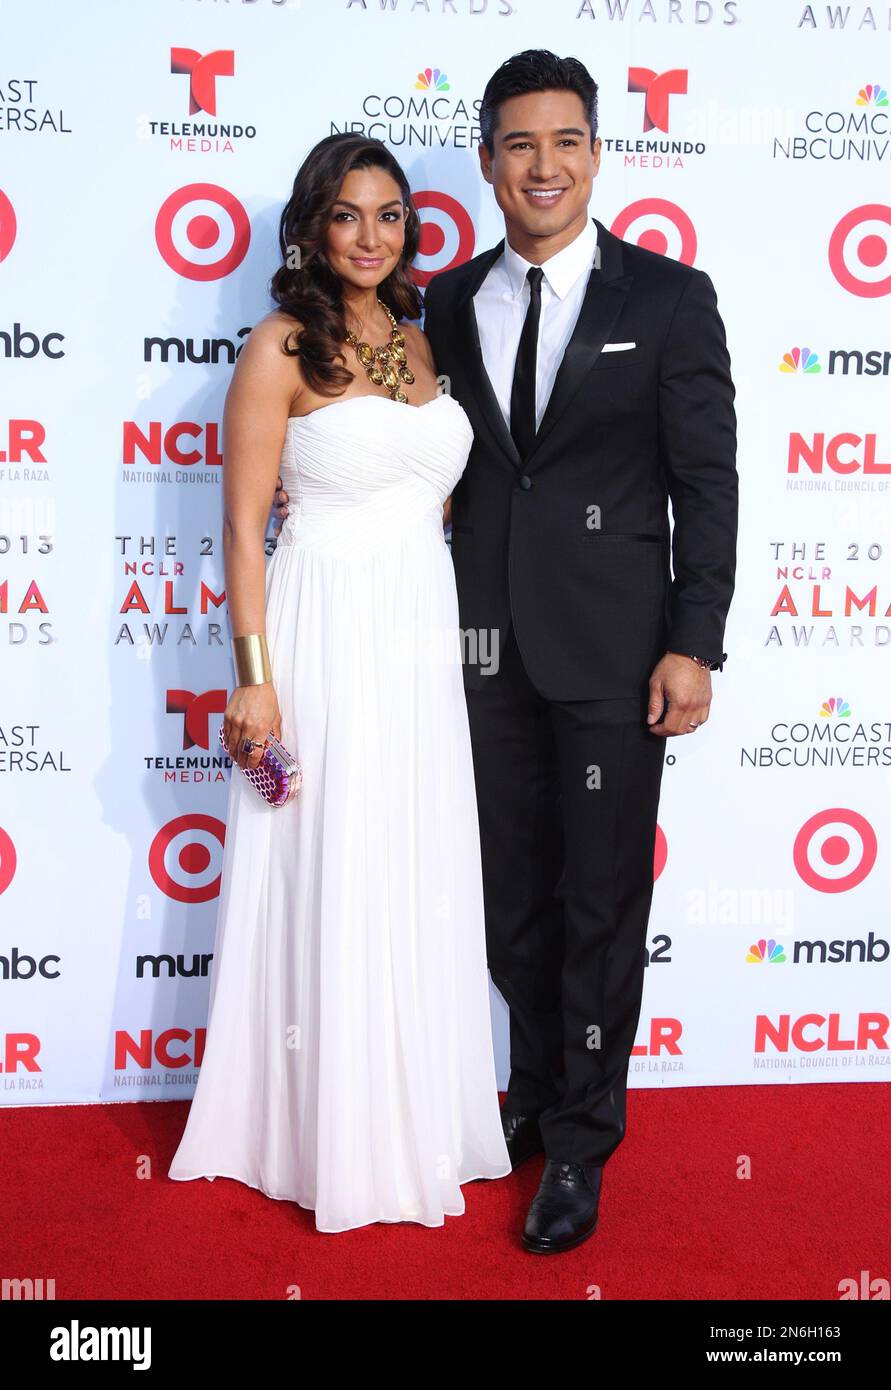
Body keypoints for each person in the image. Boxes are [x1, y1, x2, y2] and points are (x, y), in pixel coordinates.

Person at [278, 51, 738, 1254]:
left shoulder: (670, 299)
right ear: (485, 160)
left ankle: (583, 1143)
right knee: (503, 907)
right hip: (465, 656)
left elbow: (709, 485)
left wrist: (695, 643)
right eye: (519, 144)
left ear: (596, 153)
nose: (543, 164)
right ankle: (534, 1092)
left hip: (614, 656)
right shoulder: (444, 307)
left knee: (598, 902)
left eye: (566, 141)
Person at [168, 132, 511, 1234]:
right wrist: (253, 682)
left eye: (392, 215)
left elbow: (438, 501)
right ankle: (325, 1130)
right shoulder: (277, 345)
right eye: (349, 214)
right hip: (322, 633)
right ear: (314, 225)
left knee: (411, 861)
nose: (372, 235)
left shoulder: (422, 343)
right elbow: (241, 528)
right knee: (336, 855)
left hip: (416, 632)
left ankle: (416, 1114)